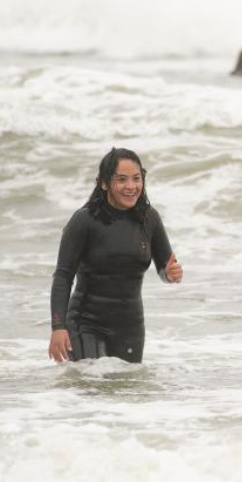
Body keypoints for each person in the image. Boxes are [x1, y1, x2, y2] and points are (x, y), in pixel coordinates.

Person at [48, 148, 182, 363]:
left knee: (126, 391)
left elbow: (164, 268)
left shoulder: (149, 219)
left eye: (136, 179)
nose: (131, 186)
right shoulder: (85, 221)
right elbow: (63, 276)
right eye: (121, 179)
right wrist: (58, 327)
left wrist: (170, 274)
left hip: (130, 327)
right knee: (90, 386)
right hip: (86, 324)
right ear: (104, 183)